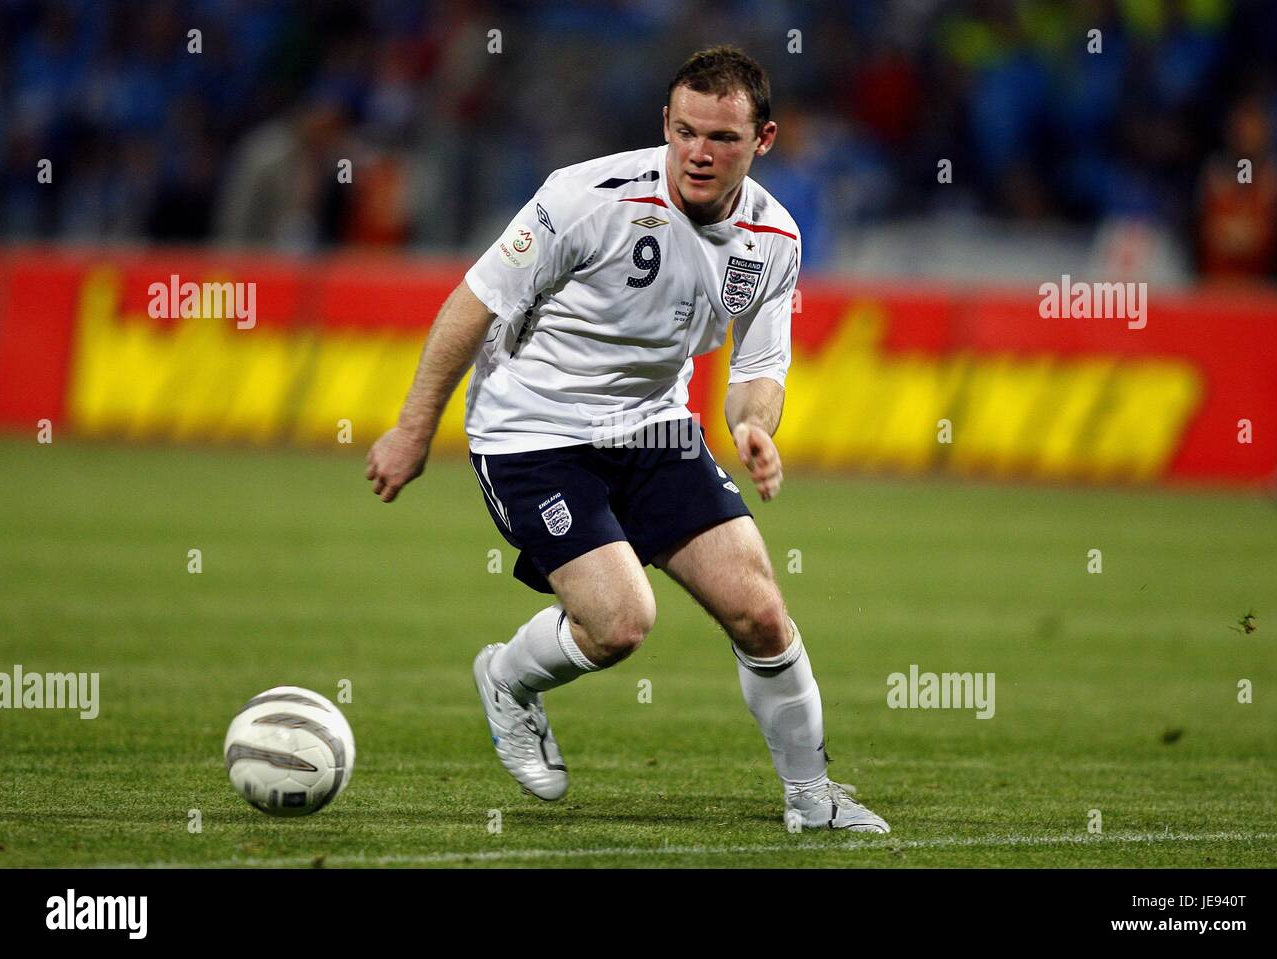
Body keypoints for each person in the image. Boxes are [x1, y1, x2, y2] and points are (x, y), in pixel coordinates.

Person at [365, 45, 890, 833]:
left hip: (653, 425)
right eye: (684, 132)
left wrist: (752, 426)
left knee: (760, 613)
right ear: (666, 125)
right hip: (531, 428)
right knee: (620, 622)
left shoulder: (773, 237)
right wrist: (413, 429)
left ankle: (813, 797)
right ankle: (509, 679)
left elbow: (759, 369)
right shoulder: (584, 197)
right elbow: (470, 306)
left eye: (722, 139)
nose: (699, 154)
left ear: (765, 140)